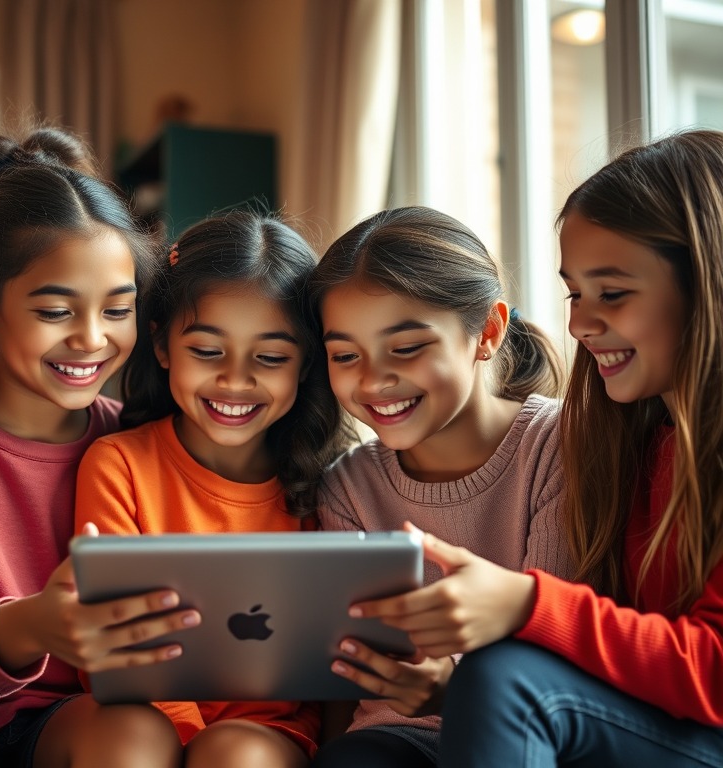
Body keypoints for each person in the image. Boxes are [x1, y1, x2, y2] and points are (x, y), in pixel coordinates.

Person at [351, 132, 723, 767]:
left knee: (508, 678)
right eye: (575, 293)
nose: (578, 324)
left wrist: (527, 603)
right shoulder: (633, 440)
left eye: (612, 293)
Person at [0, 127, 193, 768]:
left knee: (136, 736)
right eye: (55, 312)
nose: (91, 339)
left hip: (80, 717)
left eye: (117, 310)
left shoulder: (129, 432)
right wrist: (39, 623)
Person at [74, 211, 353, 768]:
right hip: (143, 718)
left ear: (304, 365)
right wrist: (183, 738)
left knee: (233, 754)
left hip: (271, 735)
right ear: (161, 346)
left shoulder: (332, 484)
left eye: (271, 358)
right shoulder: (119, 465)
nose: (234, 380)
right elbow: (116, 644)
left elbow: (340, 662)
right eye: (206, 351)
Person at [307, 206, 575, 768]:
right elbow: (345, 679)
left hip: (527, 731)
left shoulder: (558, 444)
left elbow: (555, 651)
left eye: (406, 348)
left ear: (488, 333)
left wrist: (452, 687)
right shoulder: (347, 487)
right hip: (394, 739)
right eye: (344, 355)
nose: (373, 378)